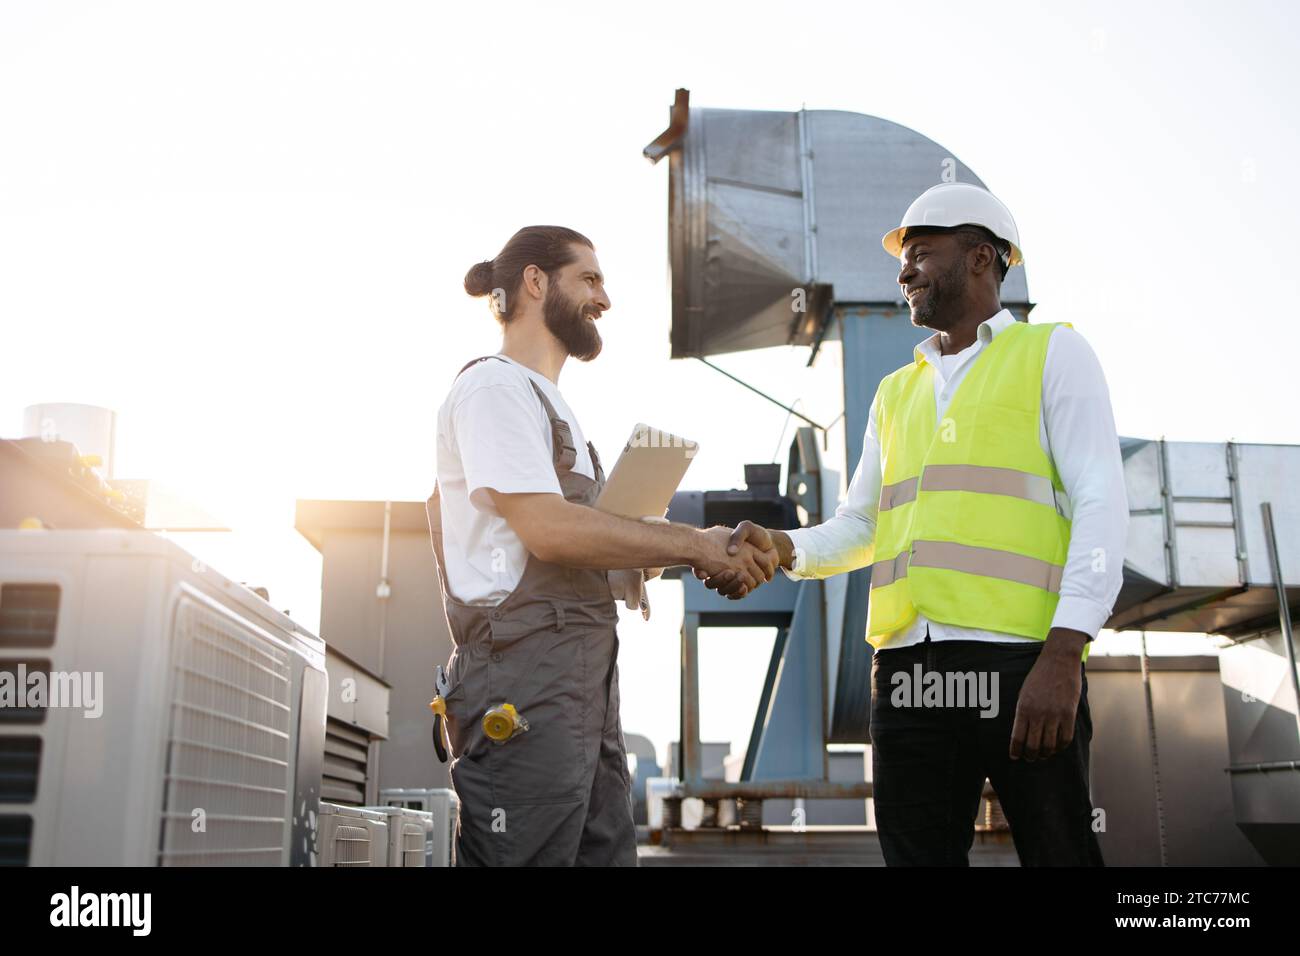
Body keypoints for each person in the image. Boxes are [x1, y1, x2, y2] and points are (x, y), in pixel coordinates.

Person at [702, 184, 1128, 866]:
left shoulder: (1053, 355)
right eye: (904, 258)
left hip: (1019, 663)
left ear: (982, 258)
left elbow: (1102, 505)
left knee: (1061, 853)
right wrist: (786, 548)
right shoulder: (897, 392)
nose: (904, 272)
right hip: (905, 674)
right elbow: (863, 525)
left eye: (922, 253)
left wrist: (1063, 654)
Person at [428, 225, 778, 866]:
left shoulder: (554, 408)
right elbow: (550, 531)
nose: (604, 298)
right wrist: (694, 544)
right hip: (524, 679)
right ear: (535, 282)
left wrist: (648, 558)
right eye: (589, 279)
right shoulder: (494, 389)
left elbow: (569, 545)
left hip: (580, 681)